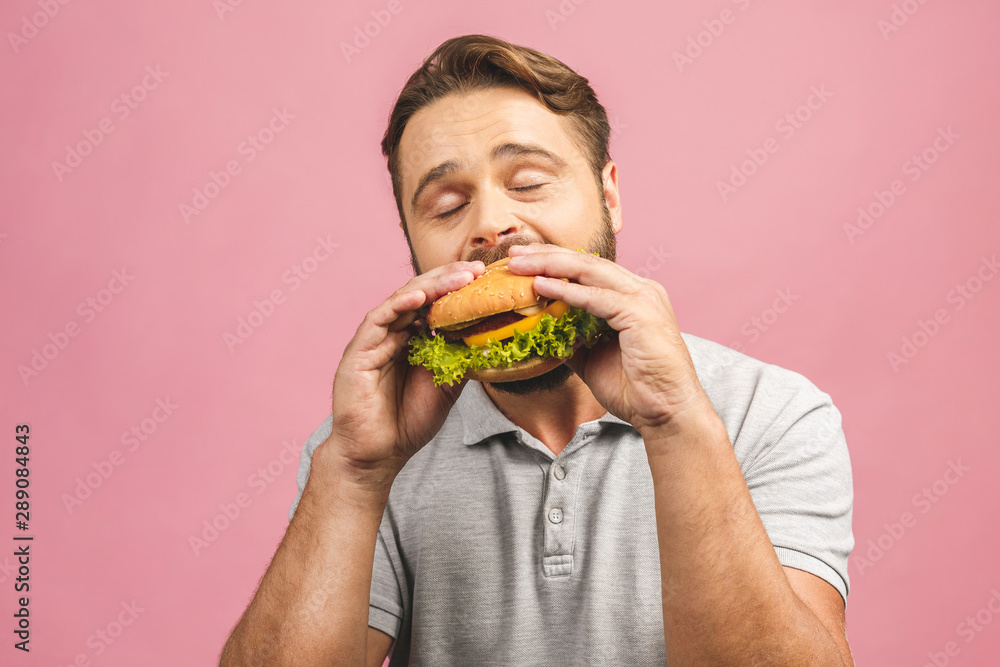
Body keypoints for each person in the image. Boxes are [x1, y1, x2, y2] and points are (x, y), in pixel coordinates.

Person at [221, 34, 855, 666]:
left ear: (609, 196)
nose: (490, 225)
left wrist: (675, 424)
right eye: (447, 205)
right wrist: (354, 474)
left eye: (527, 183)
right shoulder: (370, 442)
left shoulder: (771, 414)